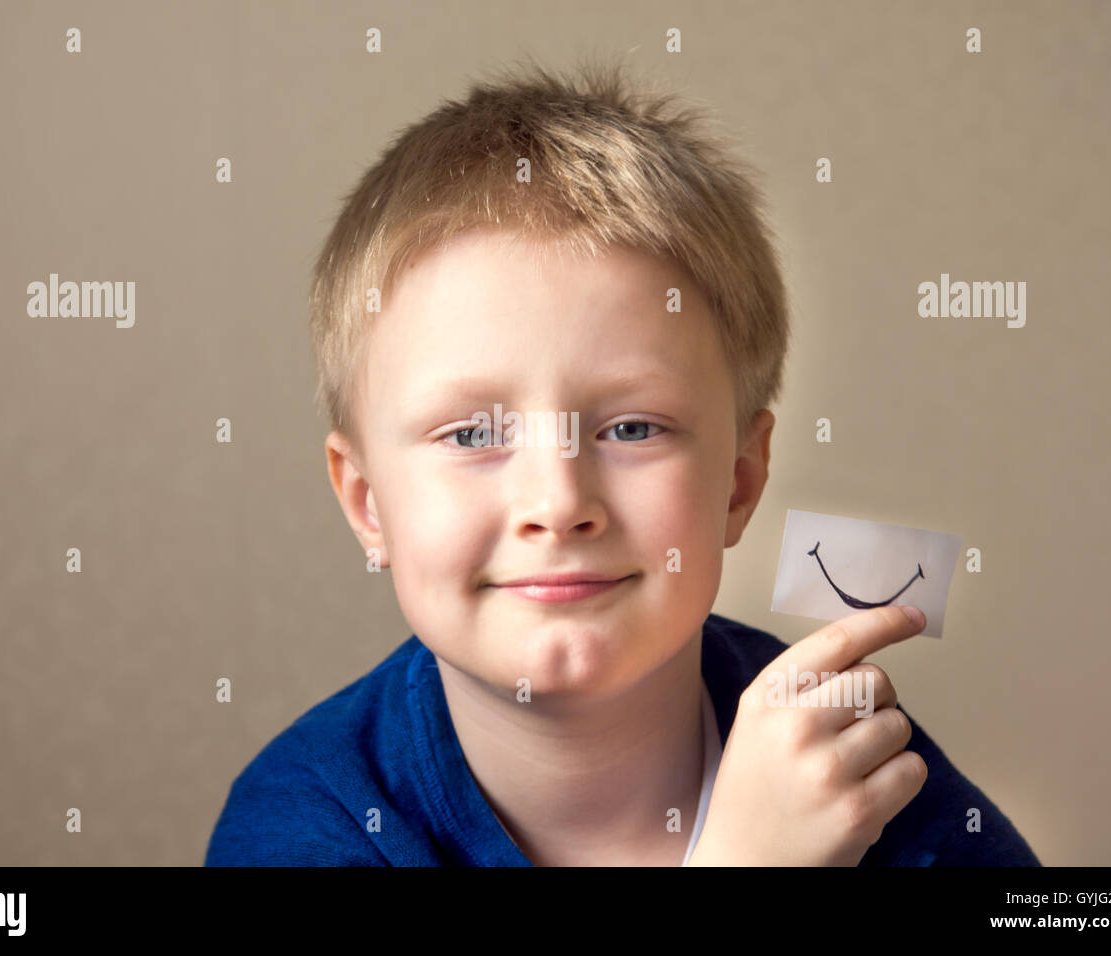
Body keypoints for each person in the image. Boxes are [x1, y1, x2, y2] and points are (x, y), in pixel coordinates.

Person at [206, 56, 1039, 866]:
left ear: (740, 482)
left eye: (634, 429)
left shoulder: (846, 775)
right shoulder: (305, 825)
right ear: (367, 504)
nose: (559, 501)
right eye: (470, 435)